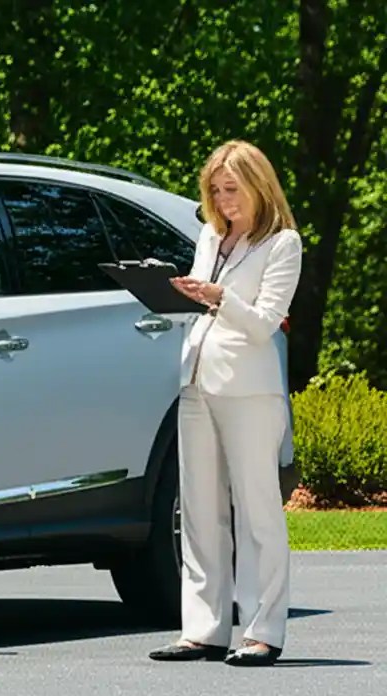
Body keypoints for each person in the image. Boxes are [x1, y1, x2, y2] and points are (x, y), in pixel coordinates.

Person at [147, 139, 303, 667]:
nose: (223, 199)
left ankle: (263, 631)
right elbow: (208, 308)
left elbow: (262, 325)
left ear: (259, 186)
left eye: (231, 188)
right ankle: (203, 629)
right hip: (196, 381)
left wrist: (217, 297)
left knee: (258, 512)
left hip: (249, 391)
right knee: (198, 510)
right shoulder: (210, 235)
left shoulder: (283, 245)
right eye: (215, 189)